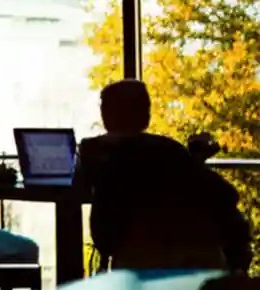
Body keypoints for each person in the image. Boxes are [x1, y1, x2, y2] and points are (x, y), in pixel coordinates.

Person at [75, 79, 250, 272]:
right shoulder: (170, 151)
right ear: (145, 114)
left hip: (135, 260)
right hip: (195, 260)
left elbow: (105, 232)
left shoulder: (97, 154)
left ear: (107, 114)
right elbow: (224, 195)